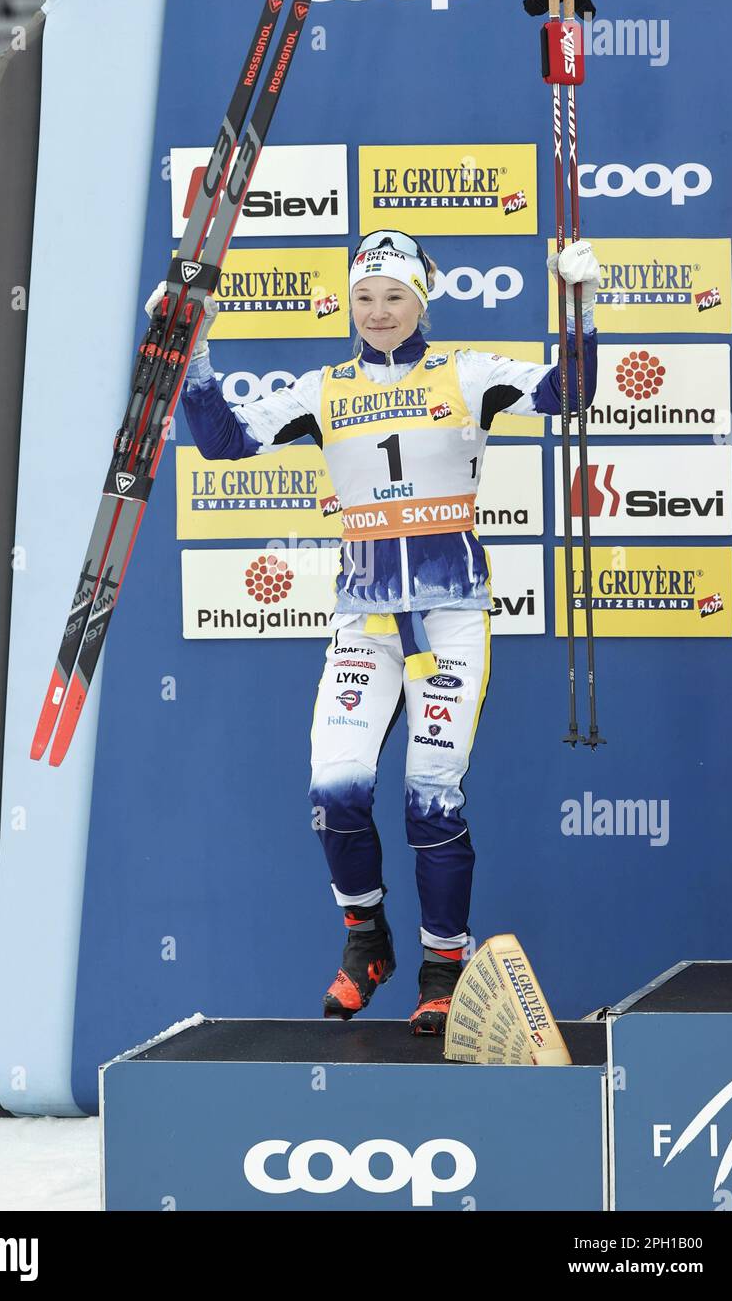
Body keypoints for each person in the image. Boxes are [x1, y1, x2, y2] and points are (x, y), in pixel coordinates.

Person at [146, 230, 600, 1035]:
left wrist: (581, 306)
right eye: (365, 297)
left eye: (395, 297)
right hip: (365, 620)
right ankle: (367, 942)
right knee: (336, 787)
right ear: (349, 304)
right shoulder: (326, 388)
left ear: (421, 301)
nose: (379, 312)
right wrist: (196, 347)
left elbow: (570, 393)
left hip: (450, 614)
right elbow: (220, 443)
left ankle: (443, 968)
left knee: (432, 794)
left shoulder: (467, 374)